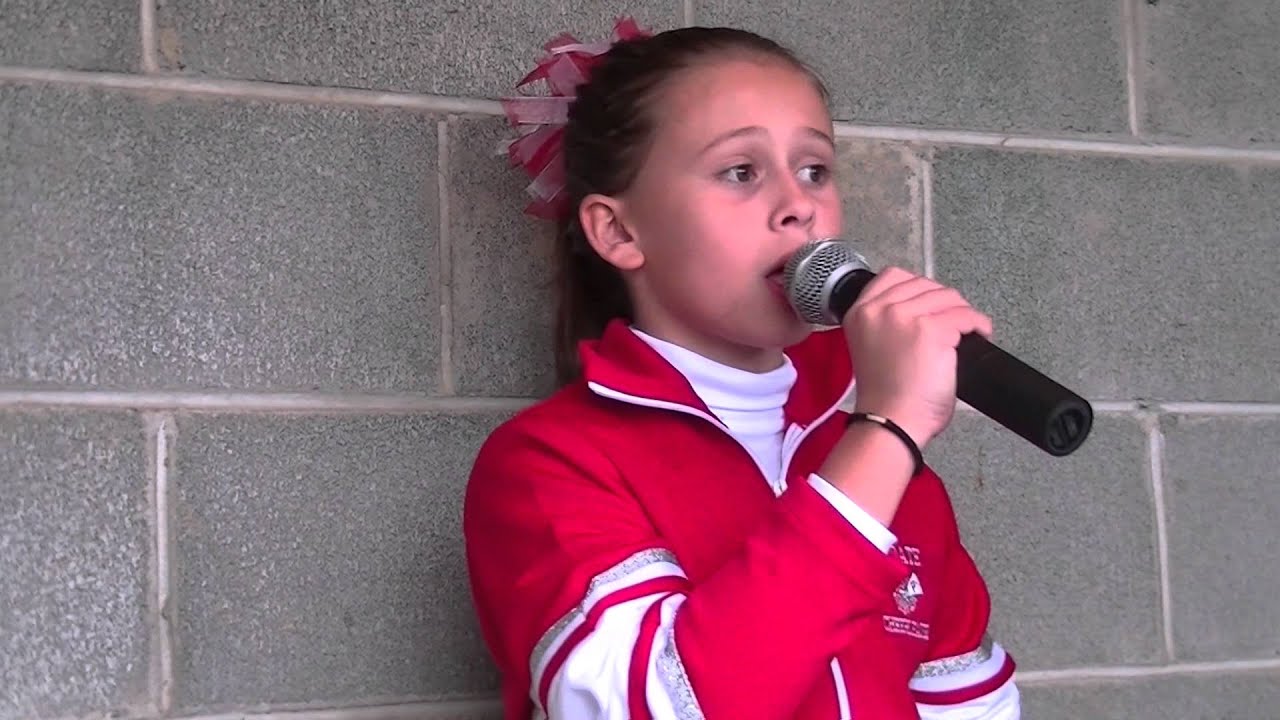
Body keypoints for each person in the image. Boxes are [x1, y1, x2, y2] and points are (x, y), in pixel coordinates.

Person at [463, 18, 1021, 720]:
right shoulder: (549, 464)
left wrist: (878, 437)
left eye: (815, 170)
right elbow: (657, 708)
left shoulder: (879, 457)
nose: (799, 207)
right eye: (741, 172)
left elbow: (968, 703)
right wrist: (886, 433)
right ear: (620, 231)